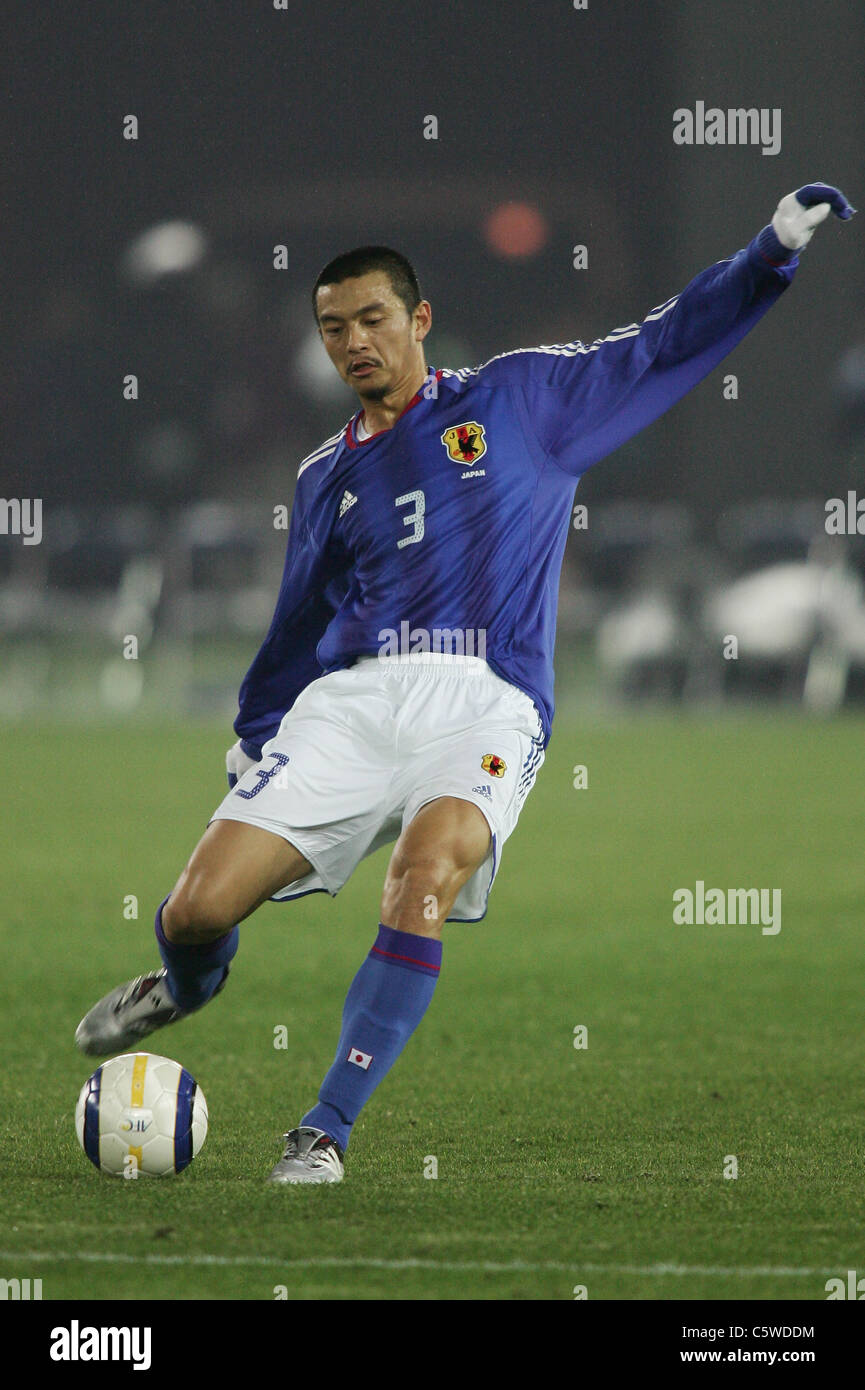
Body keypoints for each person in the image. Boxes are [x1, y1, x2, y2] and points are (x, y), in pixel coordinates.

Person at [76, 184, 855, 1184]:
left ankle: (323, 1130)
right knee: (195, 910)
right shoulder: (324, 477)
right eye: (332, 328)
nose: (353, 342)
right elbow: (298, 624)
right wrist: (257, 731)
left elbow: (658, 346)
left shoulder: (520, 400)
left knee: (424, 872)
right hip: (353, 704)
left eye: (372, 319)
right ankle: (185, 985)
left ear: (419, 321)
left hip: (487, 697)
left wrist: (769, 253)